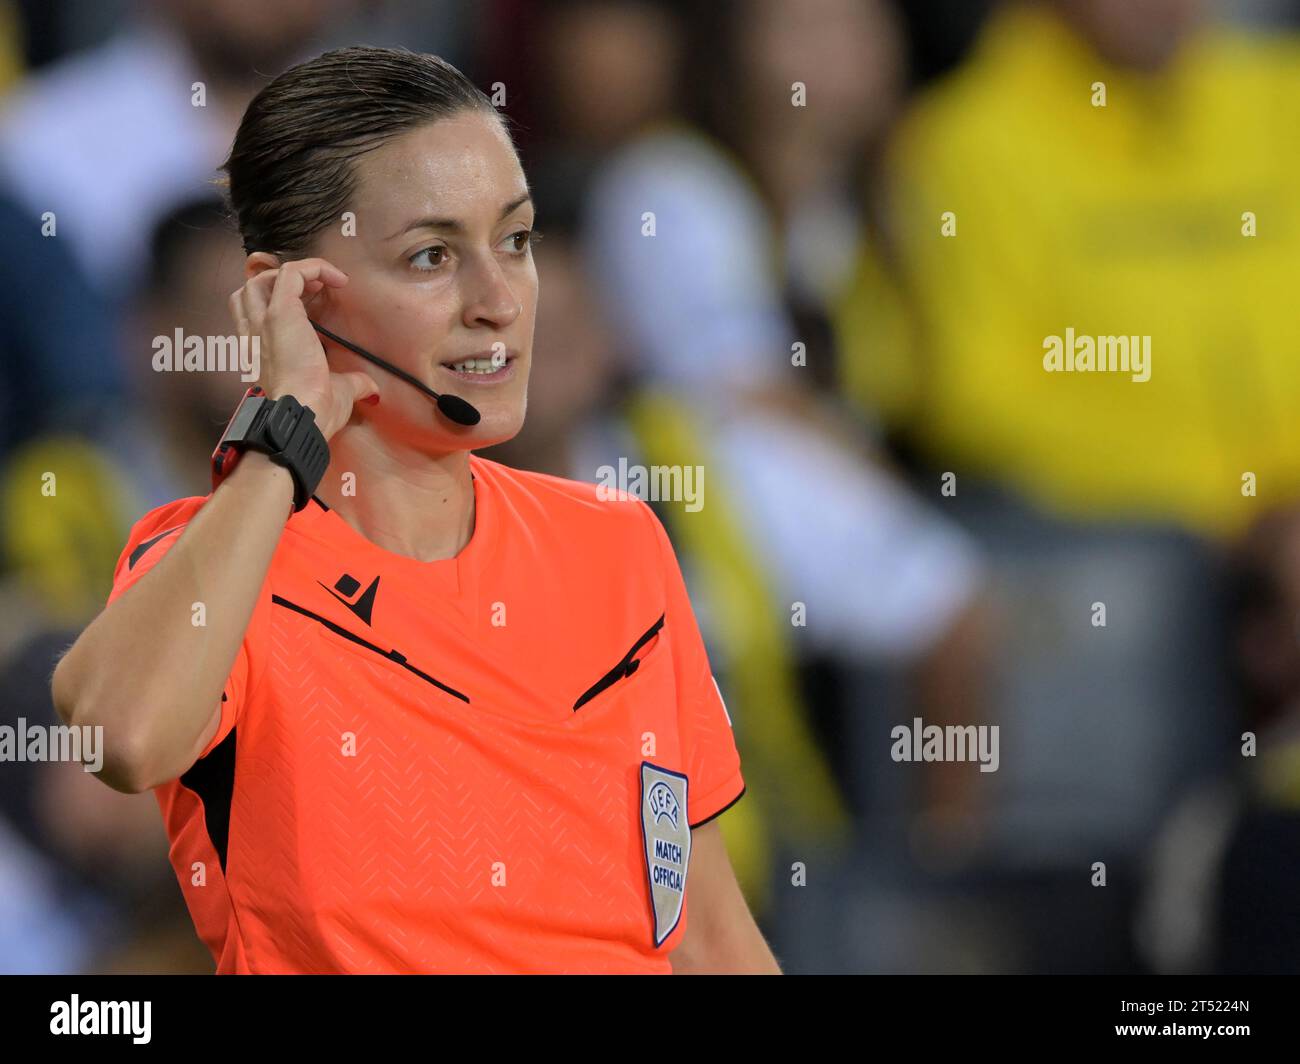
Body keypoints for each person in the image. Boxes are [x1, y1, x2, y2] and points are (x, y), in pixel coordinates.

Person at [51, 46, 778, 975]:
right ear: (292, 299)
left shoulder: (617, 543)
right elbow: (121, 735)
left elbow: (712, 937)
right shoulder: (218, 559)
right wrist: (282, 434)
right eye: (432, 256)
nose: (499, 301)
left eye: (515, 240)